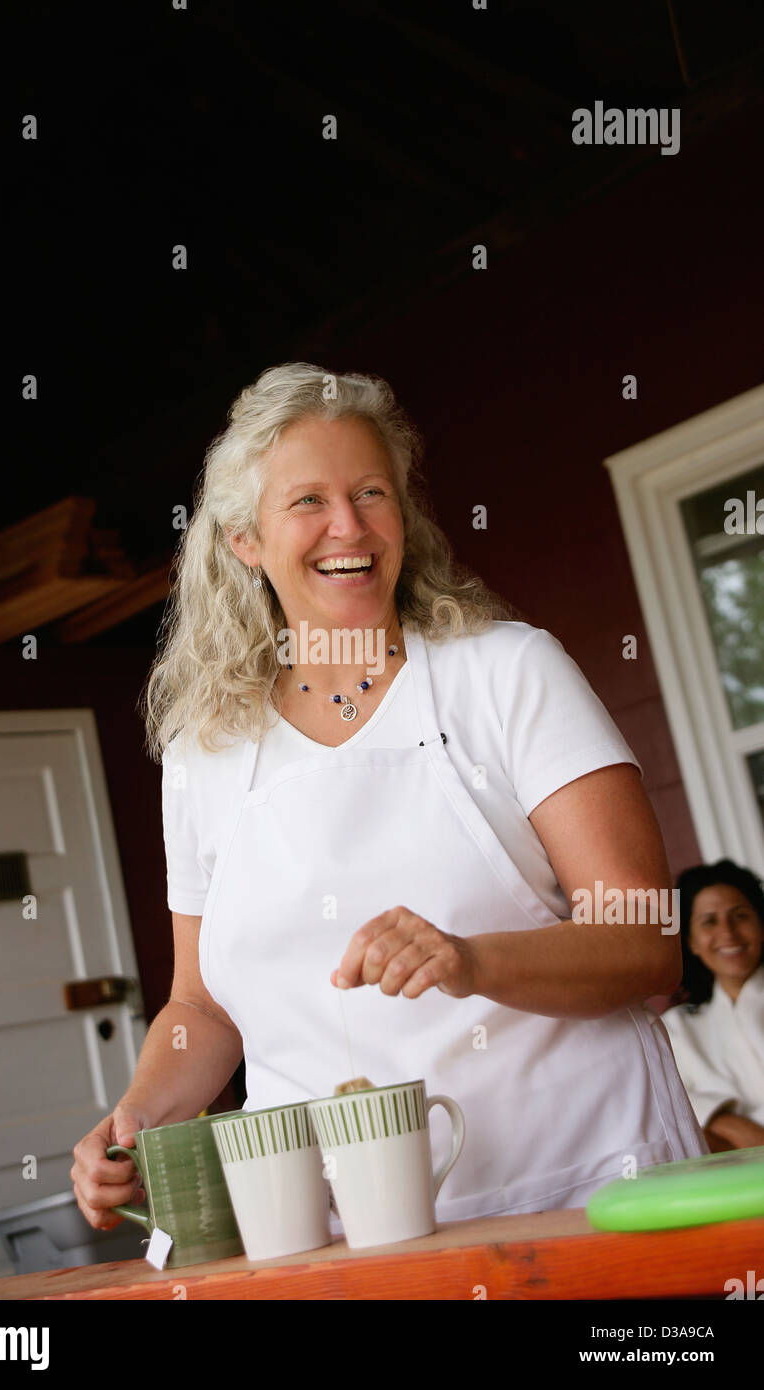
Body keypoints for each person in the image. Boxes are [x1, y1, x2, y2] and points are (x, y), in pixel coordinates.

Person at [72, 362, 707, 1233]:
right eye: (307, 502)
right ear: (243, 541)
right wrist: (139, 1118)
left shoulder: (504, 673)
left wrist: (470, 961)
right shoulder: (206, 751)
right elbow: (202, 1007)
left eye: (372, 492)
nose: (350, 526)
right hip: (343, 1236)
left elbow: (644, 942)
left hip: (581, 1190)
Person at [661, 859, 764, 1153]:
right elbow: (668, 1102)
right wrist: (724, 1121)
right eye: (709, 921)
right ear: (691, 941)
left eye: (740, 916)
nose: (728, 933)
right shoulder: (677, 1028)